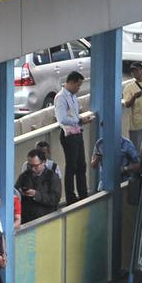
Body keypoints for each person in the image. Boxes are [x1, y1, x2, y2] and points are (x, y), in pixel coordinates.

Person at [54, 71, 88, 204]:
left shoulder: (73, 97)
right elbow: (61, 118)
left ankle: (83, 193)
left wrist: (79, 120)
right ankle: (70, 196)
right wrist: (77, 120)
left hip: (77, 132)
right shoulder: (61, 97)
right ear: (71, 82)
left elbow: (74, 115)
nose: (79, 88)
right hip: (68, 135)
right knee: (71, 166)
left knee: (81, 165)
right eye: (78, 85)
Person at [15, 149, 62, 223]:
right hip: (26, 218)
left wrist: (36, 194)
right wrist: (20, 193)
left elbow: (55, 198)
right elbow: (15, 193)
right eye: (30, 165)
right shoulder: (24, 176)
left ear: (43, 162)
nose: (33, 169)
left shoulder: (52, 177)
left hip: (45, 219)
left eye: (36, 166)